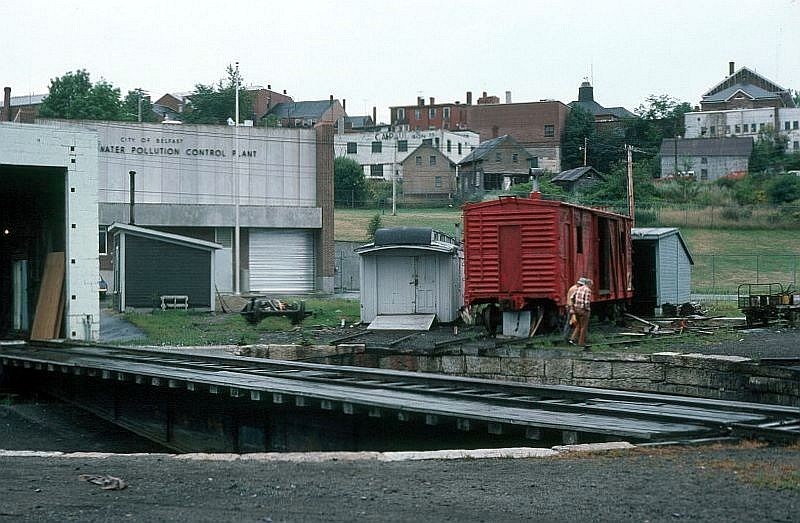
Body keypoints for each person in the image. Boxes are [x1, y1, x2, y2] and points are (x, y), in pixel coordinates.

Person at [570, 277, 593, 349]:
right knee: (584, 327)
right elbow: (586, 302)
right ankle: (581, 343)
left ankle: (572, 339)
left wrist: (574, 306)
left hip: (576, 309)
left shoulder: (578, 288)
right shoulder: (588, 290)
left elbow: (572, 297)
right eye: (591, 285)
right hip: (583, 310)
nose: (591, 287)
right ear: (589, 284)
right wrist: (587, 309)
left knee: (578, 325)